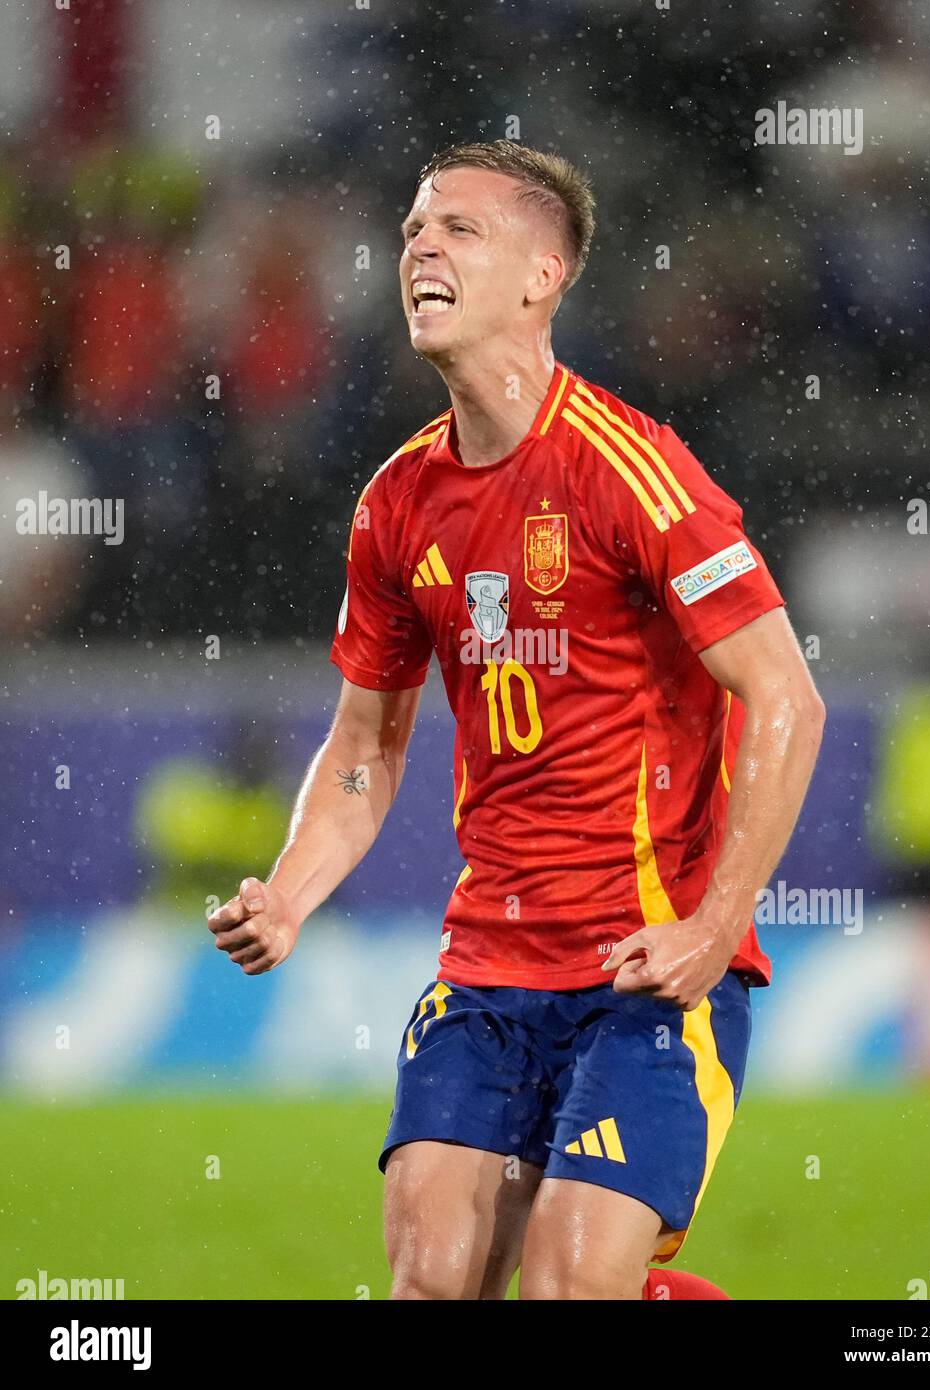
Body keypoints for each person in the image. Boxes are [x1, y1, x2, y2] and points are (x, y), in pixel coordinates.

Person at [207, 140, 825, 1300]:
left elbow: (787, 694)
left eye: (458, 229)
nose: (419, 248)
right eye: (409, 231)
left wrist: (713, 925)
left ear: (544, 276)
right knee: (433, 1281)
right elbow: (365, 744)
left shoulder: (634, 471)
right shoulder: (396, 502)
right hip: (486, 968)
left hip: (644, 969)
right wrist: (288, 894)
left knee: (565, 1287)